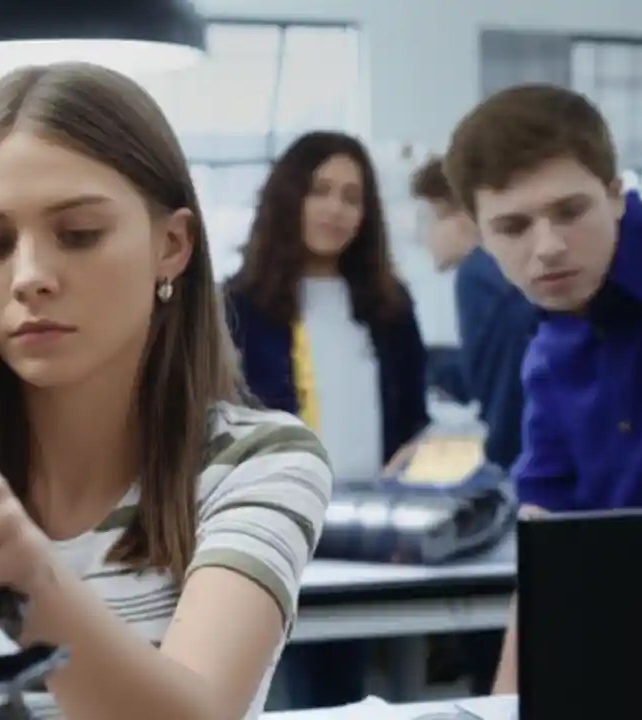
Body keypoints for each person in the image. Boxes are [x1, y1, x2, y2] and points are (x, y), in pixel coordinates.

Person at [0, 62, 334, 720]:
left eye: (79, 235)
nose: (29, 276)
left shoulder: (259, 462)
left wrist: (31, 581)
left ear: (172, 244)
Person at [442, 83, 642, 694]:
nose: (549, 248)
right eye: (512, 226)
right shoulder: (547, 354)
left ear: (616, 195)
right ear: (480, 237)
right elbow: (550, 548)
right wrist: (506, 703)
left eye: (570, 211)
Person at [224, 131, 429, 709]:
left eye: (352, 197)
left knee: (350, 689)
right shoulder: (236, 305)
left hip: (373, 529)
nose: (336, 209)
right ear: (289, 197)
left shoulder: (391, 307)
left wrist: (415, 456)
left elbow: (414, 420)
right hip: (276, 528)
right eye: (320, 191)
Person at [410, 156, 537, 472]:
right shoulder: (507, 271)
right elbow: (484, 369)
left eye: (433, 218)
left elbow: (502, 392)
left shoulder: (478, 275)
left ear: (463, 218)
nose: (425, 235)